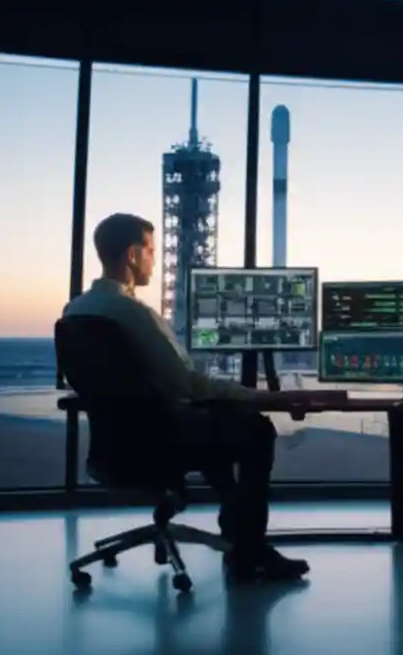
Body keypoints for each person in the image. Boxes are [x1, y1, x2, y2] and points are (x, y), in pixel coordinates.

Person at [63, 212, 309, 581]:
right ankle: (249, 549)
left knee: (217, 430)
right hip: (158, 443)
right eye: (150, 250)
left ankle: (239, 541)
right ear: (132, 255)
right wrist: (258, 398)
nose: (154, 259)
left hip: (113, 449)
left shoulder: (75, 311)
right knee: (256, 430)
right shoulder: (133, 313)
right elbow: (189, 384)